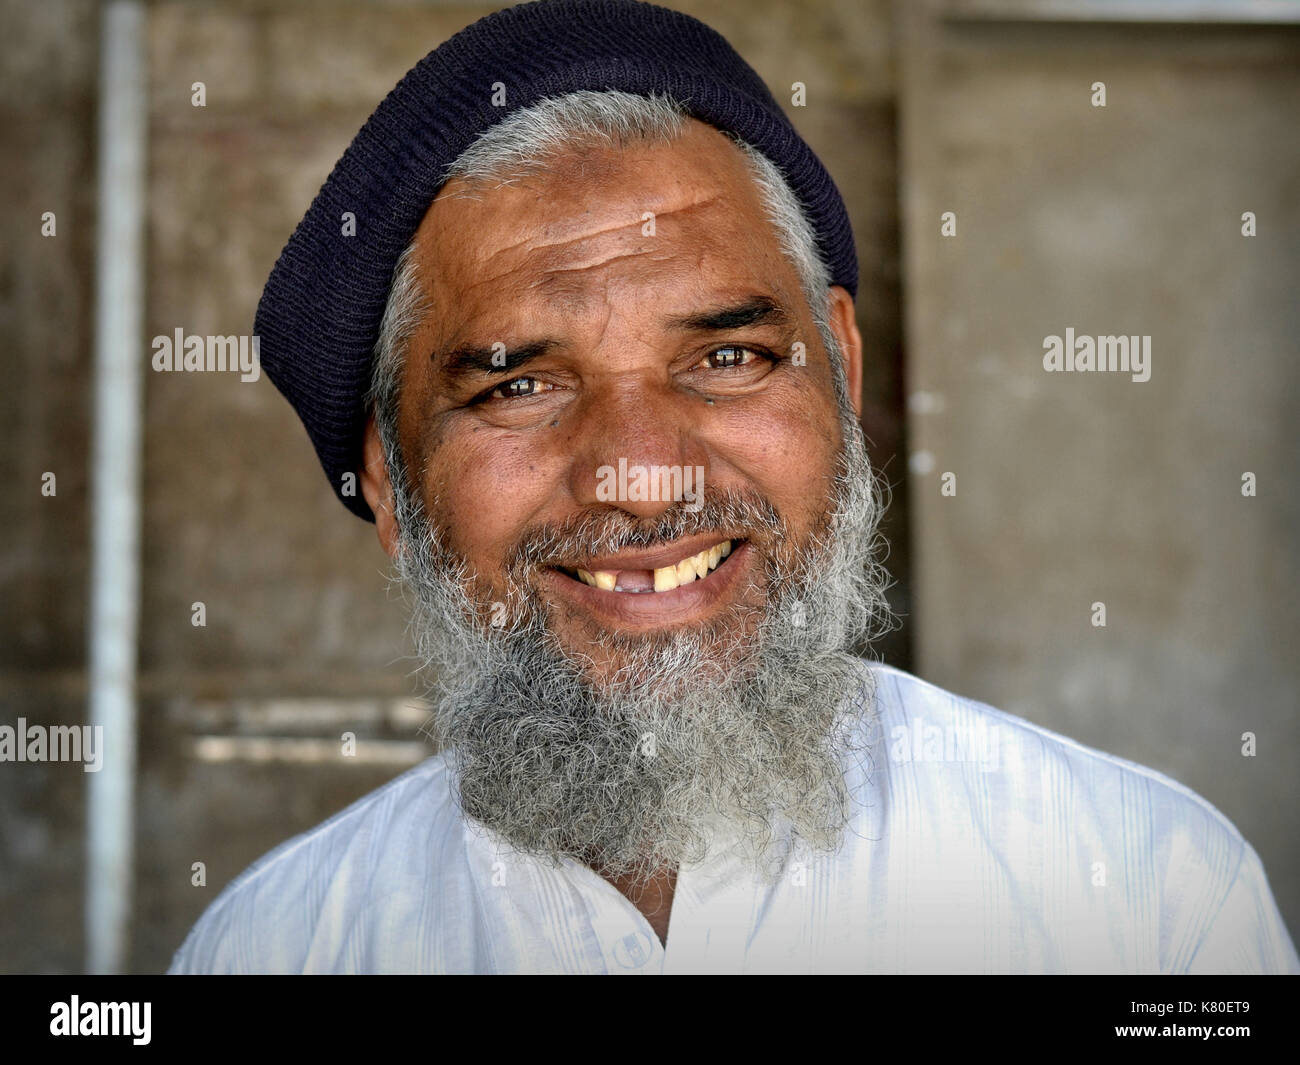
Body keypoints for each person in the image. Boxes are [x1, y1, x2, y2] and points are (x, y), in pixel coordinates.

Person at [168, 0, 1297, 974]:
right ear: (389, 477)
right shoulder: (279, 949)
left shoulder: (1145, 903)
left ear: (841, 372)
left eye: (726, 358)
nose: (643, 479)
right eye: (520, 385)